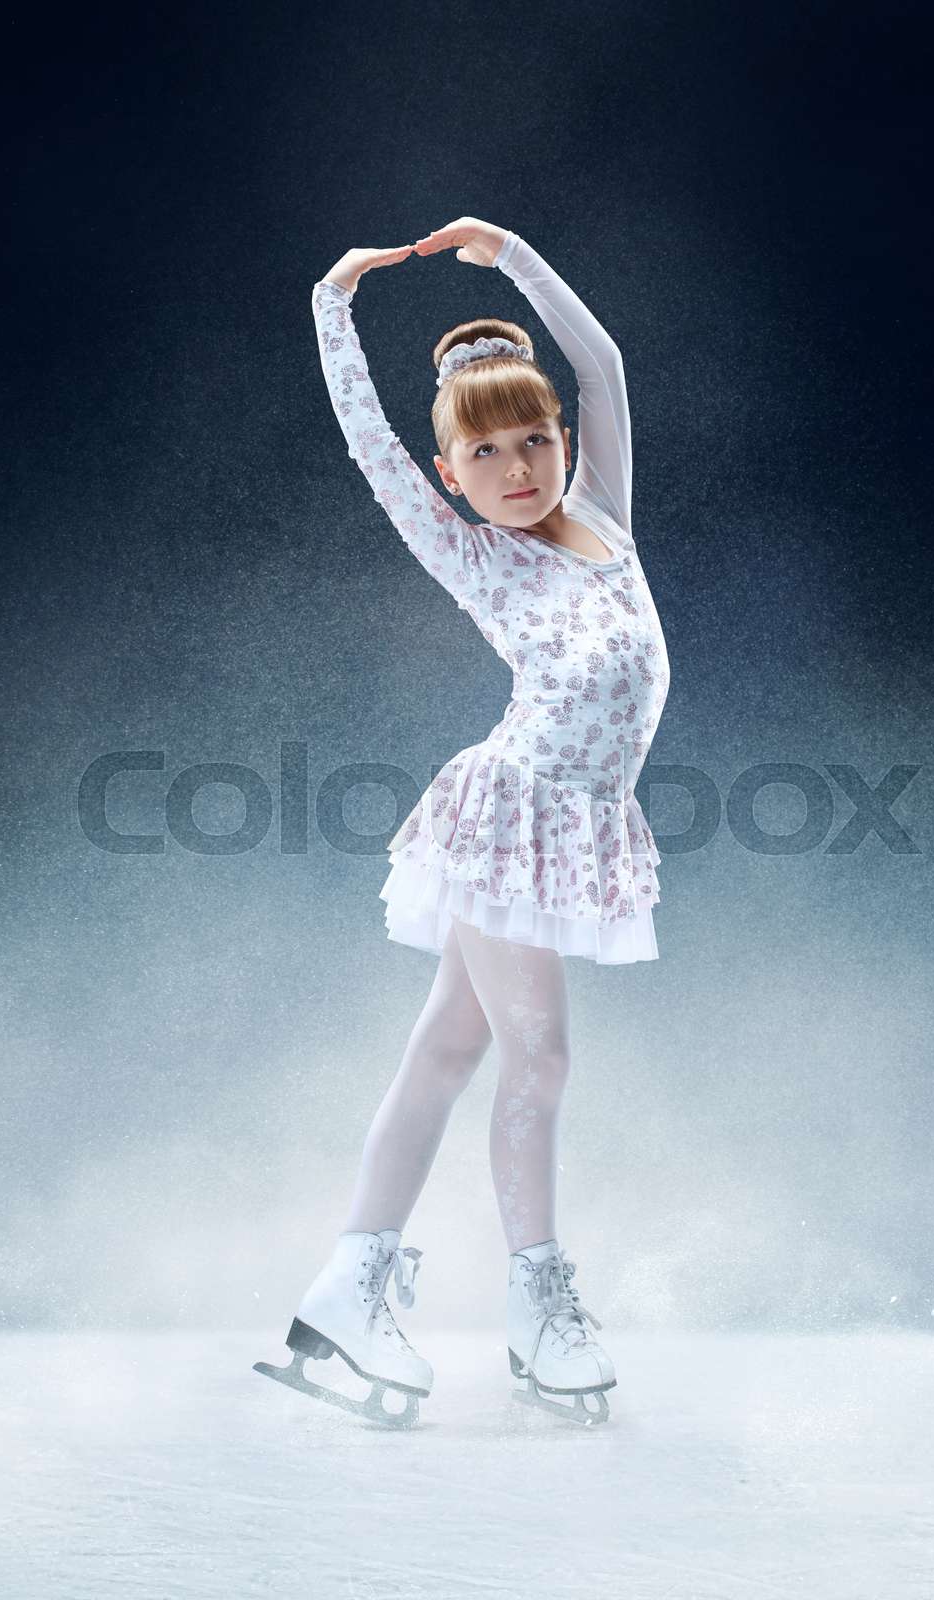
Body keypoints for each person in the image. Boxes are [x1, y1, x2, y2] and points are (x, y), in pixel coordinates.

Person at [254, 217, 670, 1428]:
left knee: (447, 1052)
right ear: (456, 477)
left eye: (535, 438)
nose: (521, 467)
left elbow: (604, 367)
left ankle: (348, 1287)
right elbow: (370, 443)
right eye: (488, 453)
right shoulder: (471, 552)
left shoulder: (605, 510)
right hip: (509, 818)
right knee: (537, 1055)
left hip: (578, 827)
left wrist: (519, 257)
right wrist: (333, 304)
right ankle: (538, 1310)